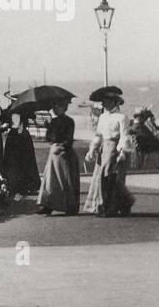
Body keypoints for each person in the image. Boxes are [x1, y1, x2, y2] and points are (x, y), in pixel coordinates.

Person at [85, 88, 134, 217]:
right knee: (102, 178)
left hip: (115, 149)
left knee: (111, 178)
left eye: (106, 101)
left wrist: (122, 152)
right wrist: (92, 149)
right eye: (103, 101)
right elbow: (98, 135)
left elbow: (124, 136)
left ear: (114, 102)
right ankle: (107, 206)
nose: (103, 104)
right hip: (104, 149)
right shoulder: (102, 117)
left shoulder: (122, 117)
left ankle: (111, 207)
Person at [36, 97, 80, 215]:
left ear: (63, 107)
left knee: (66, 180)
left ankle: (69, 206)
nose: (55, 109)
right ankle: (48, 204)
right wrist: (49, 129)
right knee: (50, 180)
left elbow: (69, 139)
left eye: (57, 107)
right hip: (54, 154)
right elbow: (48, 138)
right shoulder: (53, 122)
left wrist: (61, 145)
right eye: (54, 107)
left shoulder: (69, 121)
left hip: (65, 154)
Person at [0, 107, 40, 197]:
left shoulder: (24, 109)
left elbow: (33, 116)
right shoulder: (10, 110)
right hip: (14, 135)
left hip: (23, 136)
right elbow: (3, 119)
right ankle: (13, 185)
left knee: (25, 160)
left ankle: (24, 185)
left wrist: (25, 112)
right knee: (12, 160)